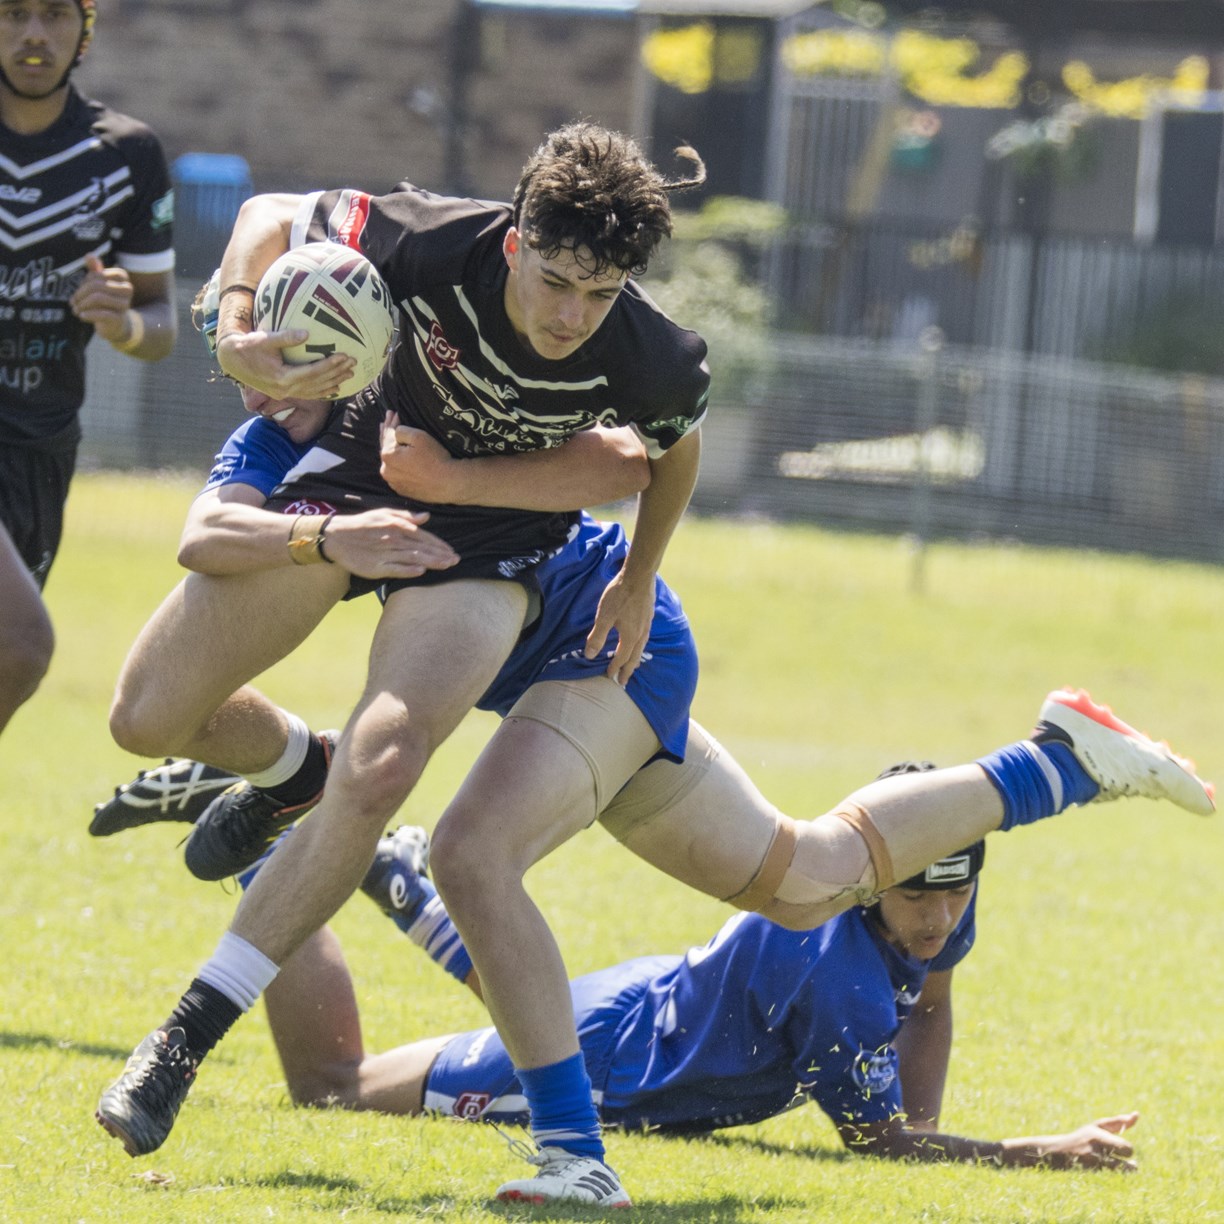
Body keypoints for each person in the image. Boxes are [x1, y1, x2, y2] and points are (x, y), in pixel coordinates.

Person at [94, 383, 1214, 1200]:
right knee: (796, 880)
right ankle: (1055, 764)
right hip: (586, 701)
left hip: (609, 646)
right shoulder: (304, 434)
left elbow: (641, 452)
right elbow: (205, 546)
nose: (255, 359)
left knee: (475, 861)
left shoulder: (463, 362)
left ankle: (568, 1151)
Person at [99, 124, 715, 1206]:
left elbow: (670, 448)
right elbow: (264, 214)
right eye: (560, 280)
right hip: (349, 481)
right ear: (518, 240)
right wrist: (235, 330)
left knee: (382, 766)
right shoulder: (434, 243)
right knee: (149, 717)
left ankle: (181, 1041)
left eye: (602, 291)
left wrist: (637, 577)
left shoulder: (648, 351)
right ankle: (295, 769)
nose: (575, 314)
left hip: (478, 556)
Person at [258, 817, 1143, 1174]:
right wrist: (1034, 1153)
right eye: (920, 898)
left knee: (513, 994)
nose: (942, 920)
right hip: (610, 1068)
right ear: (875, 886)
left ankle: (395, 877)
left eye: (958, 894)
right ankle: (277, 860)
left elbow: (935, 1003)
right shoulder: (838, 981)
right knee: (333, 1087)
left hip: (650, 996)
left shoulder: (927, 907)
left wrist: (919, 1112)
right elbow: (880, 1148)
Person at [0, 0, 175, 735]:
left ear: (85, 29)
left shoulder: (126, 157)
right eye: (11, 14)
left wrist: (122, 320)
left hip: (40, 448)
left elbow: (161, 325)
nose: (33, 35)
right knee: (21, 644)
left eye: (51, 15)